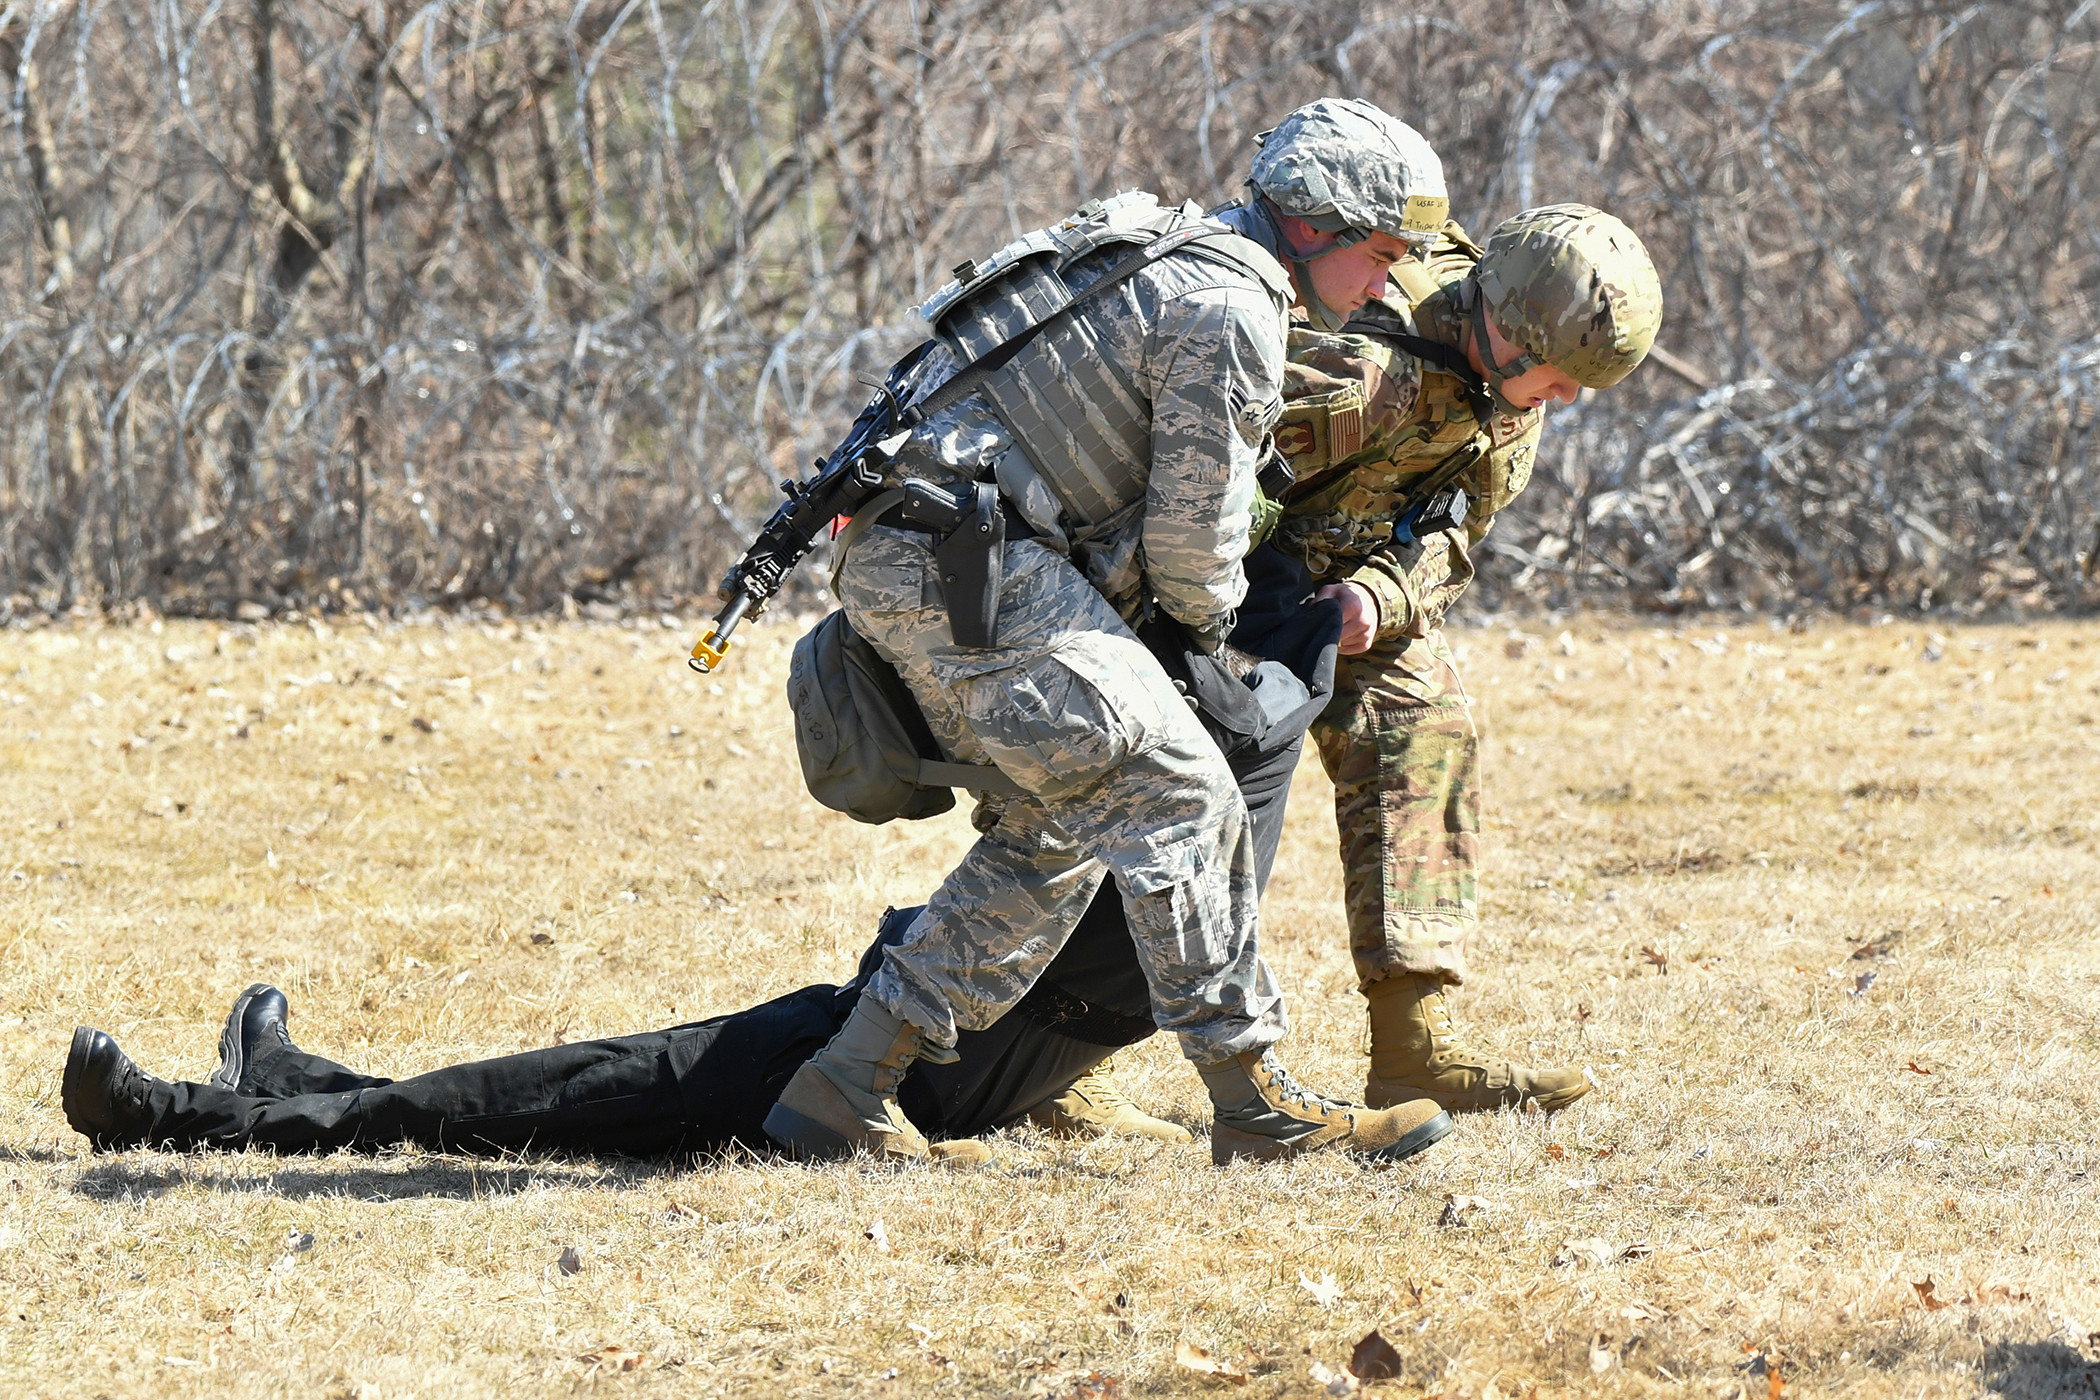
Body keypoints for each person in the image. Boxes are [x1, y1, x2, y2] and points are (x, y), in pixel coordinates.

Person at [59, 563, 1364, 1163]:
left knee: (563, 1098)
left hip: (889, 1067)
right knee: (563, 1095)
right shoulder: (1241, 771)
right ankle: (289, 1080)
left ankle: (181, 1117)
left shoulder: (1161, 776)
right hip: (941, 1053)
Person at [764, 98, 1462, 1168]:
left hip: (937, 549)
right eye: (1379, 256)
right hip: (971, 561)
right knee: (1180, 783)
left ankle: (844, 1083)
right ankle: (1254, 1101)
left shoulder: (1166, 247)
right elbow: (1193, 549)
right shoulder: (1233, 306)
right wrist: (1224, 640)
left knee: (1060, 819)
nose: (1386, 286)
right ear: (1316, 226)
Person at [1264, 203, 1665, 1113]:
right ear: (1515, 336)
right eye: (1563, 381)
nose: (1564, 403)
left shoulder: (1509, 388)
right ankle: (1059, 1057)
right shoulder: (1354, 351)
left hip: (1345, 598)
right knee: (1164, 788)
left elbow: (1455, 532)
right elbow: (1190, 468)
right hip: (1216, 590)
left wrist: (1380, 598)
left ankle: (1414, 1048)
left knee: (1423, 721)